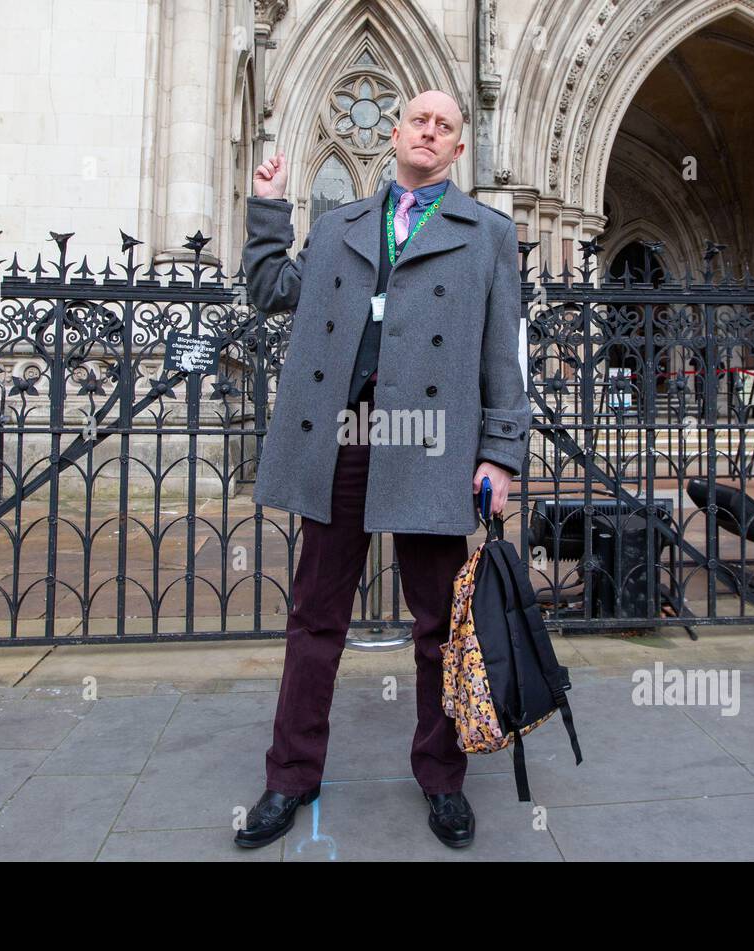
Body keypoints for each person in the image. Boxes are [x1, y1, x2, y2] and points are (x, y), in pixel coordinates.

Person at [235, 89, 530, 850]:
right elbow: (272, 292)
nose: (429, 133)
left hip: (433, 442)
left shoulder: (489, 234)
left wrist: (500, 451)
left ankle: (443, 778)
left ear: (459, 149)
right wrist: (268, 207)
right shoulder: (338, 227)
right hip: (346, 434)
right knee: (314, 616)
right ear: (396, 134)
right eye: (419, 121)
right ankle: (289, 776)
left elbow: (504, 353)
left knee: (439, 624)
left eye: (445, 127)